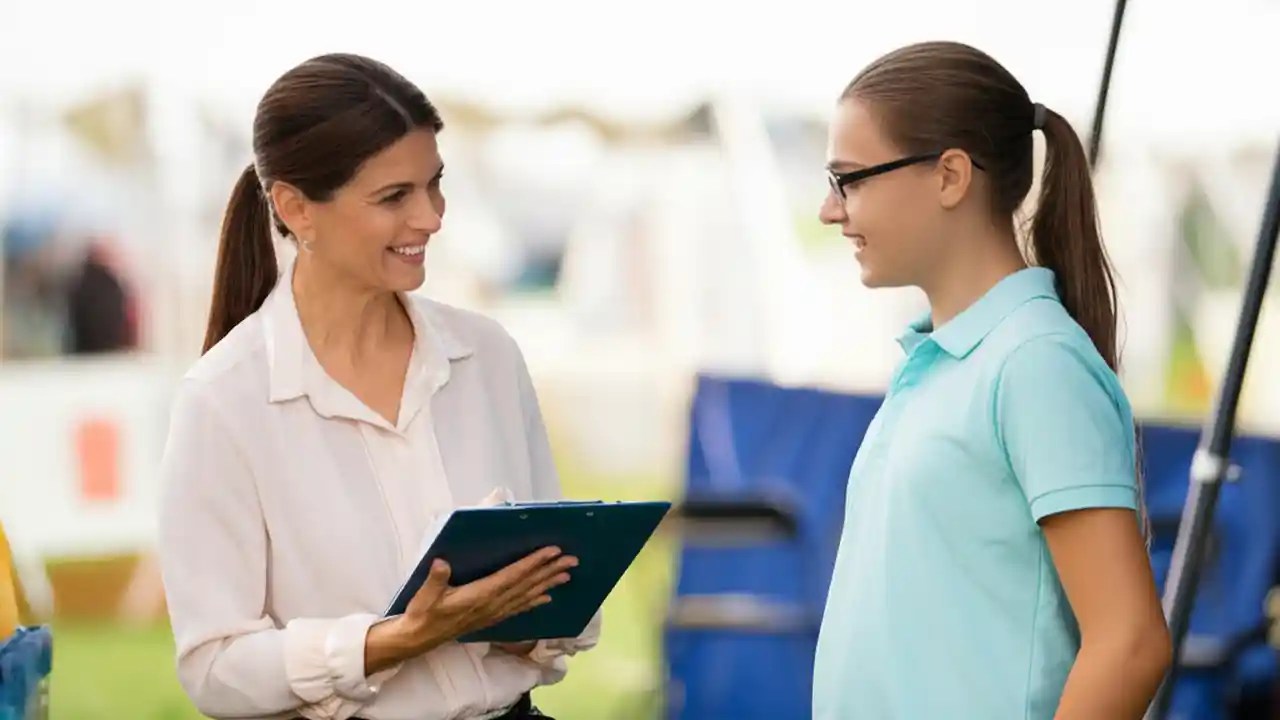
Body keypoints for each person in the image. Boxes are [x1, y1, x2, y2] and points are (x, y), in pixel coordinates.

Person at [156, 53, 597, 720]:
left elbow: (564, 601)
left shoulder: (488, 357)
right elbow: (215, 669)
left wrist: (517, 618)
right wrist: (397, 639)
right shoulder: (222, 400)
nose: (431, 217)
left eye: (435, 184)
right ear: (296, 209)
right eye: (395, 197)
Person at [812, 41, 1171, 719]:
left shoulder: (1036, 362)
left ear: (950, 176)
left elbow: (1129, 643)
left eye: (848, 180)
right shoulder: (941, 361)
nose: (830, 211)